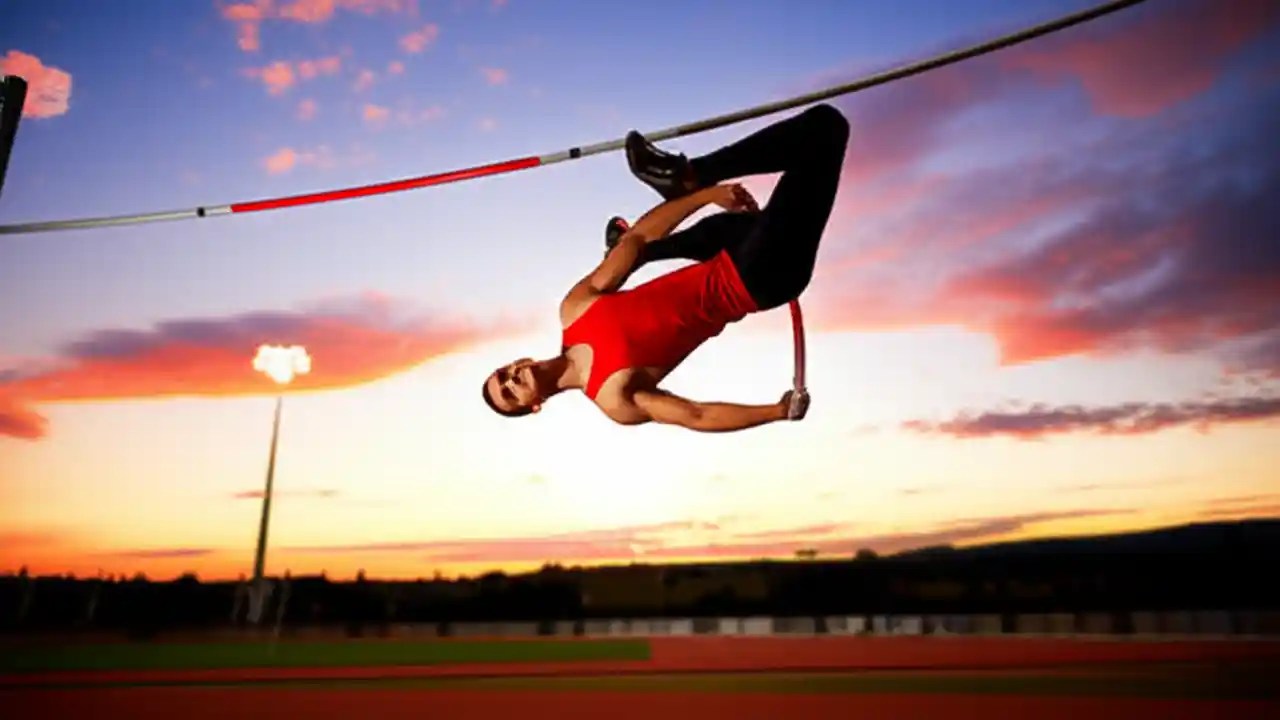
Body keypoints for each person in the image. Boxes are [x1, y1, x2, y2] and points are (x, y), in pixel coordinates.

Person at [482, 103, 849, 432]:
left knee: (638, 247)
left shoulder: (574, 310)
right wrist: (776, 411)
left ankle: (693, 178)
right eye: (510, 393)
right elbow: (695, 414)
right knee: (824, 129)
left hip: (724, 250)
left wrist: (705, 195)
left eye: (503, 375)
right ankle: (693, 179)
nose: (511, 379)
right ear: (534, 406)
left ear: (516, 360)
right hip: (758, 279)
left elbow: (638, 237)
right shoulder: (614, 399)